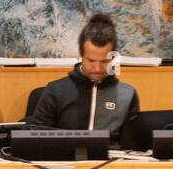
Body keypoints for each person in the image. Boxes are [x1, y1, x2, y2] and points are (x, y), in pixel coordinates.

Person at [26, 12, 139, 144]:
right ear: (81, 54)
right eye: (91, 61)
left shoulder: (127, 95)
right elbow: (35, 140)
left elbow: (132, 147)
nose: (97, 68)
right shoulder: (55, 91)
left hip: (110, 162)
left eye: (104, 62)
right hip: (63, 162)